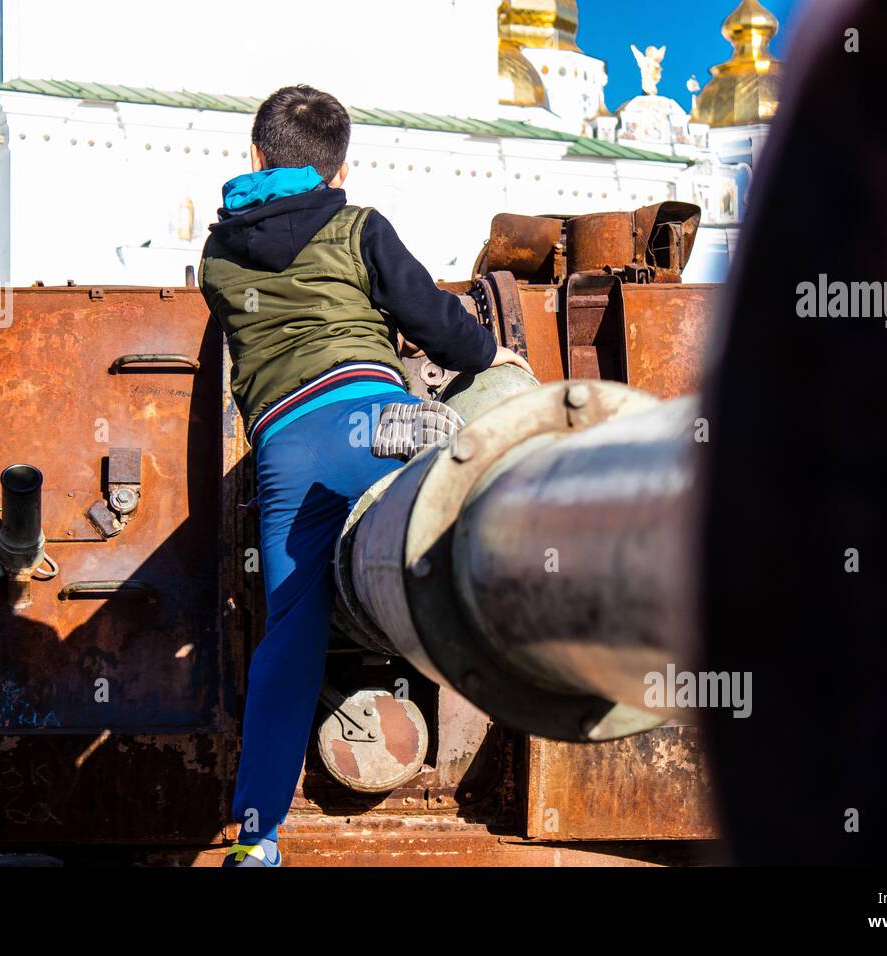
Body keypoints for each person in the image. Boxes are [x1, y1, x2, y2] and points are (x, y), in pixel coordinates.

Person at [199, 84, 529, 866]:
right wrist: (488, 357)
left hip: (289, 446)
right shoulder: (357, 226)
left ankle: (257, 836)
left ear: (254, 156)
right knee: (424, 546)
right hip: (369, 406)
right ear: (340, 171)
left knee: (290, 636)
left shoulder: (215, 258)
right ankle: (444, 470)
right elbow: (428, 315)